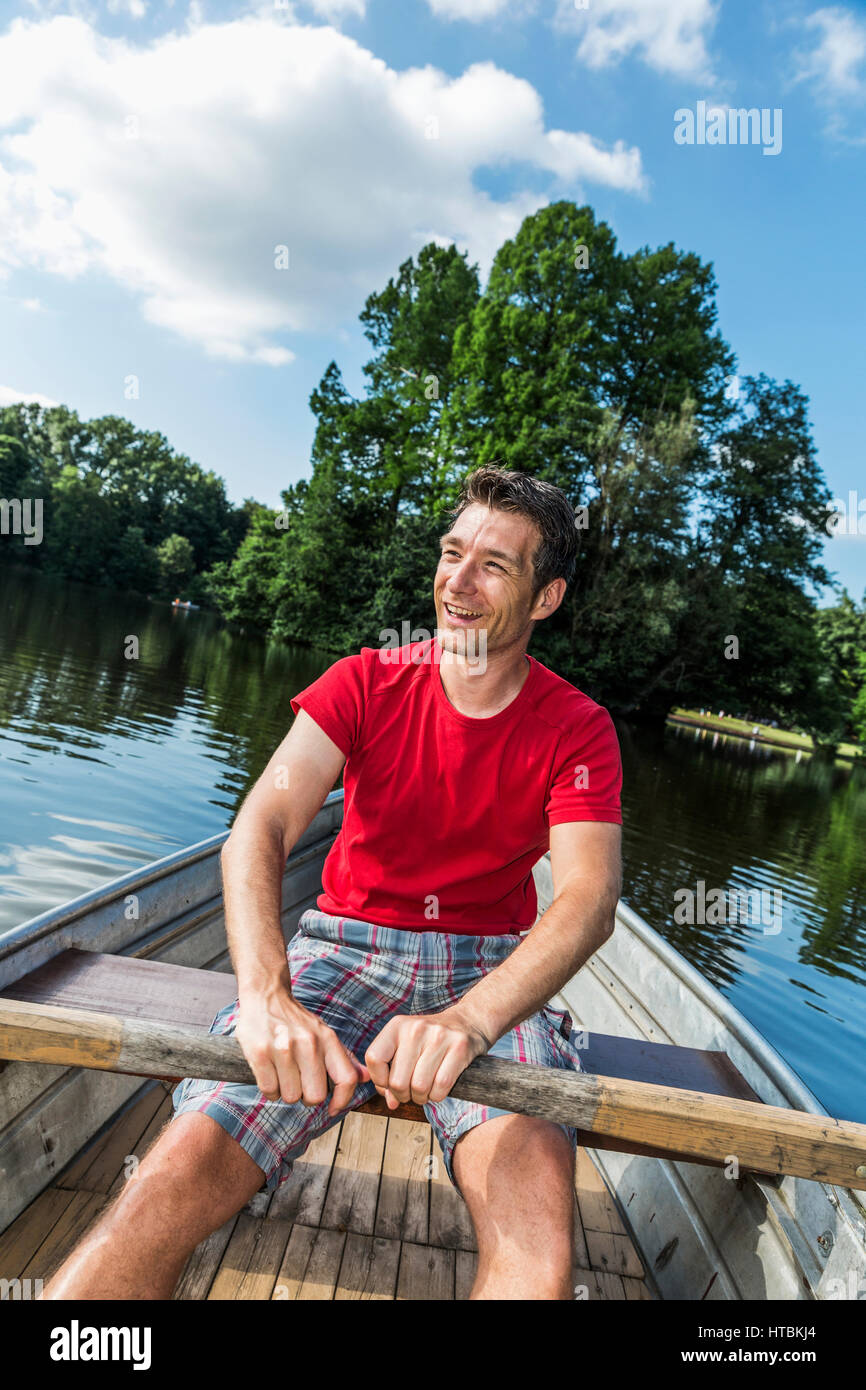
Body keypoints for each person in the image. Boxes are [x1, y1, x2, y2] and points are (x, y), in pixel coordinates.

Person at [41, 466, 622, 1302]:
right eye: (452, 553)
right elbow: (261, 829)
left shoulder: (578, 728)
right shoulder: (363, 683)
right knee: (164, 1184)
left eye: (493, 565)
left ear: (545, 597)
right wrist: (267, 995)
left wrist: (470, 1017)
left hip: (491, 975)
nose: (456, 582)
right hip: (345, 953)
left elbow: (587, 900)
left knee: (538, 1243)